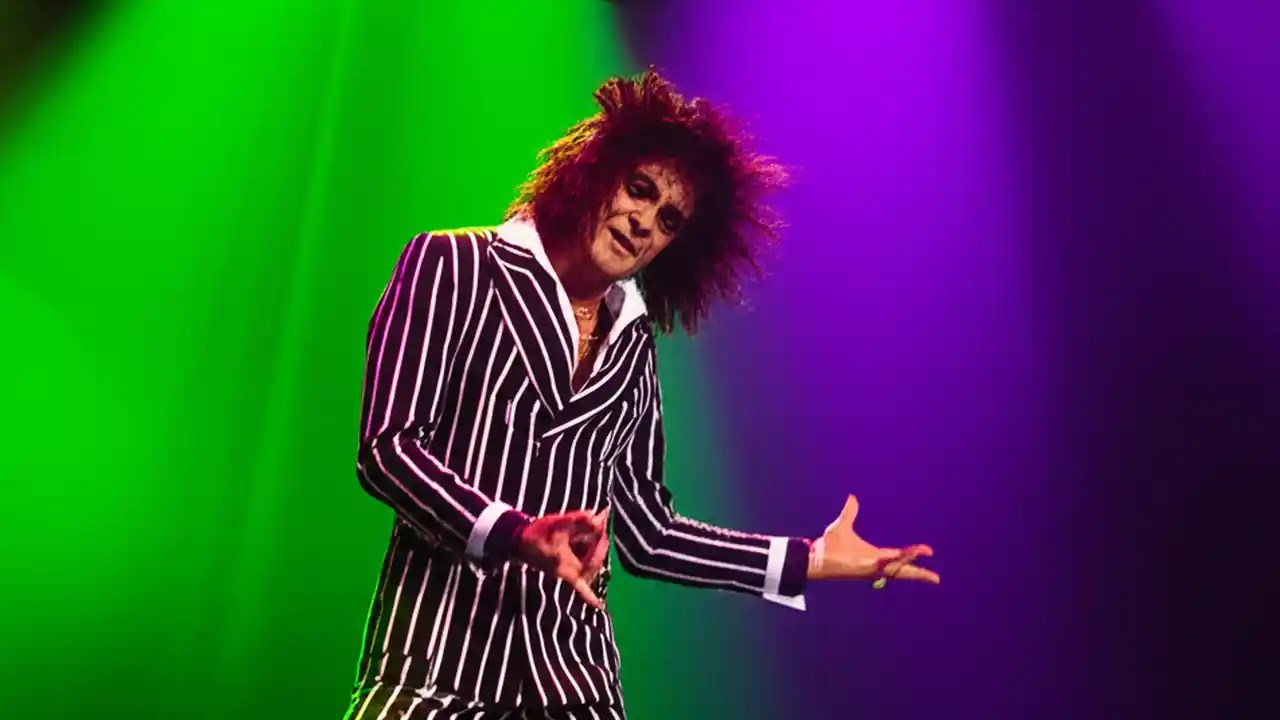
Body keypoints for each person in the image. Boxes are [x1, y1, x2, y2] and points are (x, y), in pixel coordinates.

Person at [344, 69, 939, 720]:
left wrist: (811, 560)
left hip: (572, 684)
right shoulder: (453, 266)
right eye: (639, 189)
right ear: (595, 170)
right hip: (435, 666)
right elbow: (388, 450)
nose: (642, 221)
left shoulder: (633, 346)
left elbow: (650, 534)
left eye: (668, 219)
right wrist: (514, 533)